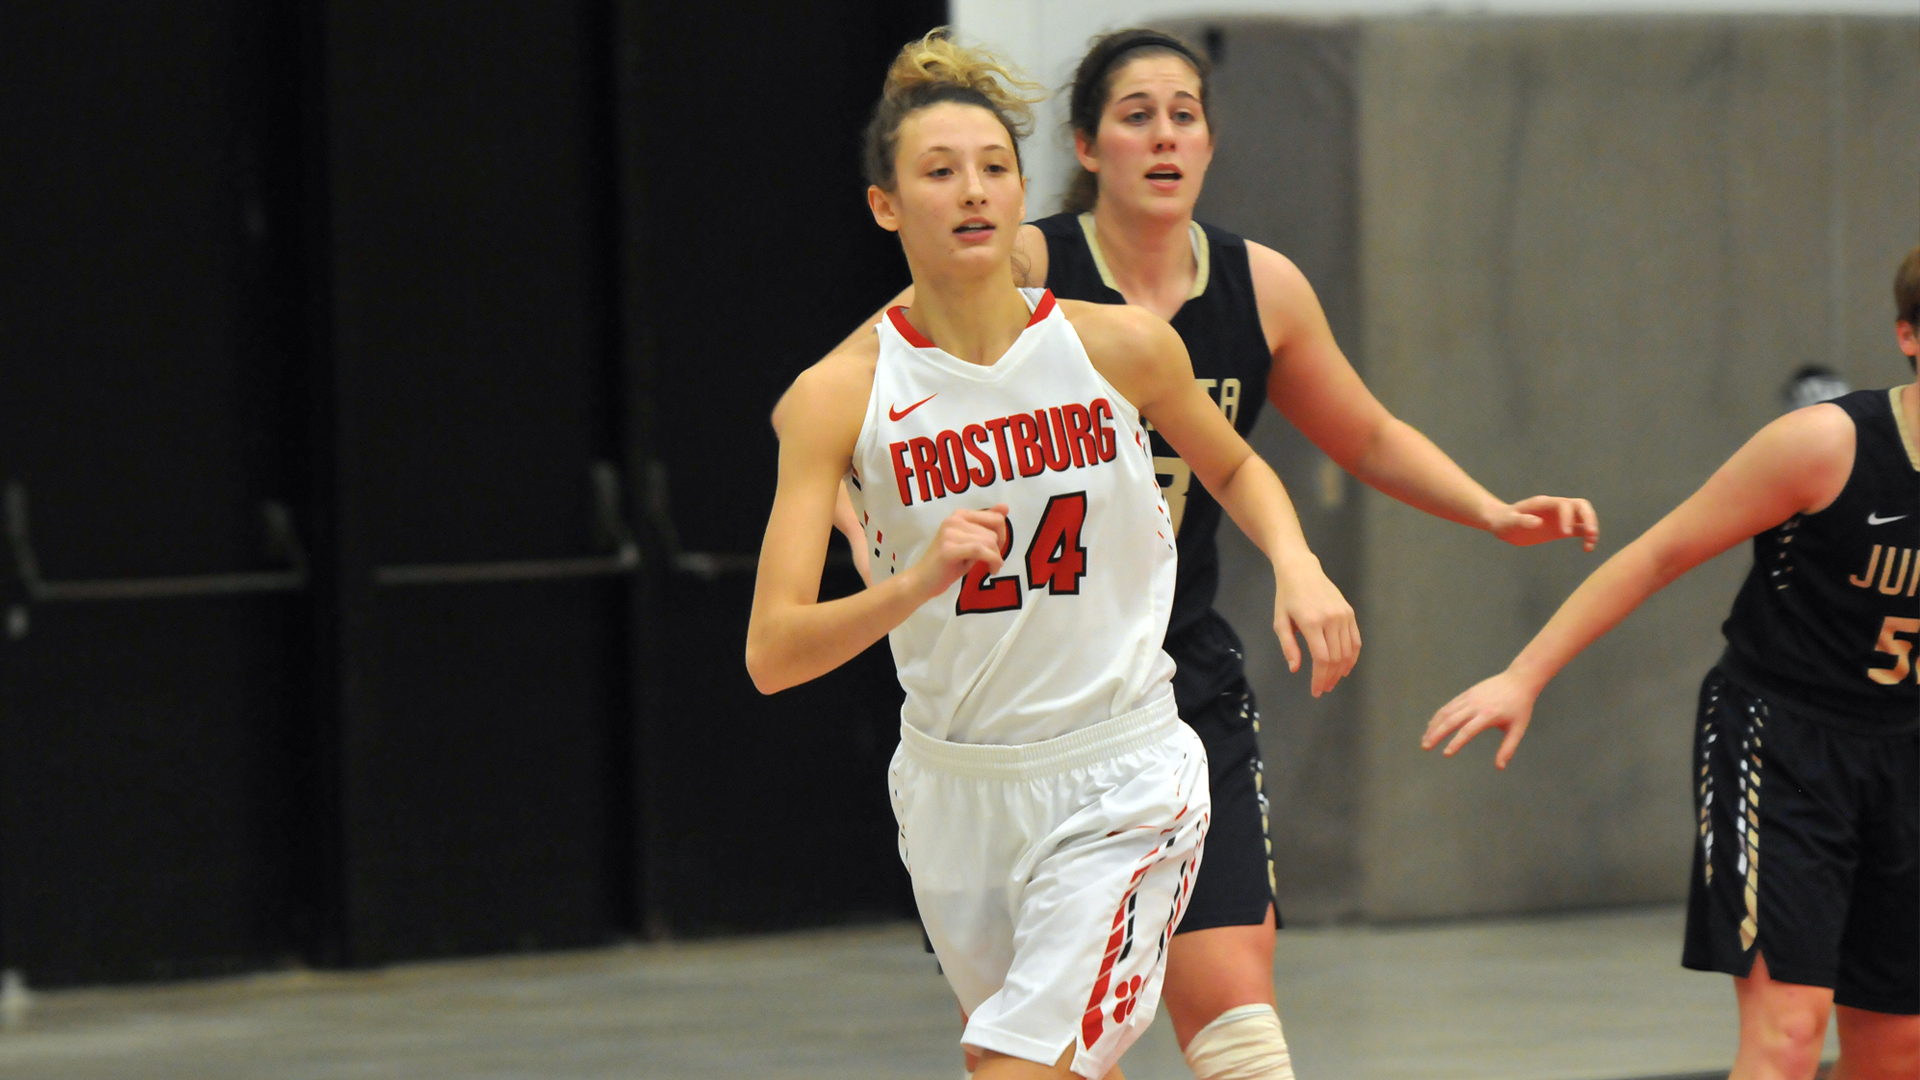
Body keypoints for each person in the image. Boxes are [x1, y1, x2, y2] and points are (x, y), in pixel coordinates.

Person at [786, 28, 1599, 1080]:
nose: (1165, 136)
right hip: (1008, 690)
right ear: (1084, 147)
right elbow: (888, 375)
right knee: (1061, 1050)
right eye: (1137, 116)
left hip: (1161, 685)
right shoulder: (1025, 259)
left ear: (1212, 142)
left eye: (1186, 114)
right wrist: (850, 501)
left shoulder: (1259, 287)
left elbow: (1365, 434)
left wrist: (1484, 512)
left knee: (1228, 1018)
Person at [747, 31, 1360, 1080]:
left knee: (1016, 1067)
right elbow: (774, 653)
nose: (974, 192)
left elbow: (1240, 469)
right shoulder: (838, 398)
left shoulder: (1115, 345)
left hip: (1119, 774)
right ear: (886, 206)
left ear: (1023, 188)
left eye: (994, 169)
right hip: (954, 789)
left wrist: (1298, 560)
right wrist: (913, 583)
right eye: (939, 173)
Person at [1424, 246, 1920, 1080]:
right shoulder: (1825, 445)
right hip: (1783, 741)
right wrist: (1525, 674)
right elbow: (1657, 556)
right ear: (1909, 336)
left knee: (1900, 1043)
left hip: (1903, 749)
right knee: (1790, 1030)